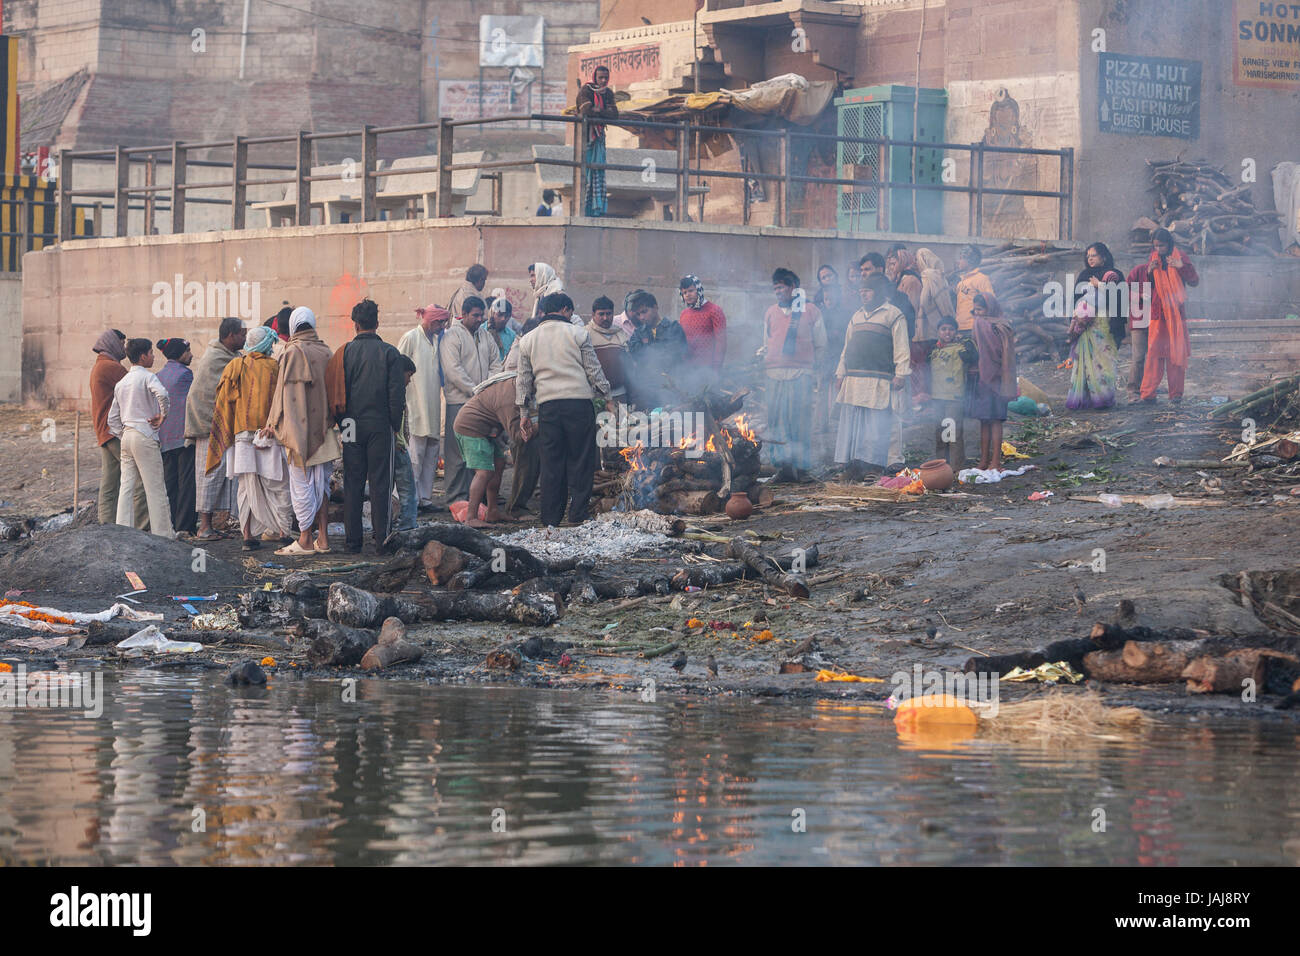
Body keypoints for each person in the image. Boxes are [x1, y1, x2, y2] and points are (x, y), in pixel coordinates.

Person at [516, 292, 611, 526]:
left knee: (551, 463)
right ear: (566, 310)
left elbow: (523, 381)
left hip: (549, 408)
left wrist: (524, 414)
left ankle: (551, 518)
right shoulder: (579, 333)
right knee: (581, 460)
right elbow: (594, 370)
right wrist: (607, 396)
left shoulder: (528, 339)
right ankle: (578, 514)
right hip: (578, 404)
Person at [327, 299, 406, 553]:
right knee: (381, 483)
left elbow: (337, 391)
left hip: (350, 423)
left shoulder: (345, 352)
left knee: (353, 481)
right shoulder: (390, 353)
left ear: (355, 324)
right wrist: (394, 426)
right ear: (377, 323)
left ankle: (353, 542)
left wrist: (342, 423)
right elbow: (397, 396)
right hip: (380, 423)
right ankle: (382, 542)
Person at [206, 325, 292, 550]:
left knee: (245, 487)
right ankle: (284, 532)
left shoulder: (235, 365)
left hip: (242, 436)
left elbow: (224, 401)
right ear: (266, 346)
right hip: (269, 434)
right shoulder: (275, 367)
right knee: (278, 483)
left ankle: (248, 537)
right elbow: (281, 402)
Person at [267, 307, 339, 557]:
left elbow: (285, 396)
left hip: (299, 431)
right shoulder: (326, 350)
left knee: (301, 485)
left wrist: (274, 422)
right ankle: (324, 538)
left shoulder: (293, 351)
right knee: (322, 486)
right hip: (325, 432)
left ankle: (305, 540)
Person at [833, 274, 908, 479]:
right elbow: (846, 348)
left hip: (879, 378)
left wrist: (901, 373)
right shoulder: (856, 317)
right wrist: (840, 373)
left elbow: (902, 347)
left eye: (867, 290)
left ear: (879, 292)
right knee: (854, 422)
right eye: (861, 291)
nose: (863, 295)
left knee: (876, 424)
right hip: (854, 378)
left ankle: (874, 466)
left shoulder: (893, 315)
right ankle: (854, 465)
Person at [107, 338, 174, 538]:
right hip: (144, 435)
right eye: (151, 353)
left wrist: (123, 432)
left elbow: (112, 418)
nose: (153, 356)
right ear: (143, 356)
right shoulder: (147, 376)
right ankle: (164, 534)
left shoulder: (122, 382)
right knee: (155, 487)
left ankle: (123, 531)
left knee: (126, 486)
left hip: (126, 436)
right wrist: (163, 415)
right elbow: (162, 394)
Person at [186, 317, 246, 539]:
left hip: (223, 424)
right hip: (209, 424)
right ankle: (204, 527)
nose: (244, 337)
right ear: (230, 335)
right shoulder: (215, 357)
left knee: (226, 473)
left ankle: (216, 525)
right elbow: (208, 394)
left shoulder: (231, 357)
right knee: (209, 473)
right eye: (241, 333)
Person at [764, 268, 826, 482]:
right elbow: (767, 341)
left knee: (799, 421)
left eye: (781, 287)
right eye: (775, 288)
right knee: (776, 421)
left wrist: (815, 370)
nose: (778, 292)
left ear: (793, 288)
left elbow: (821, 344)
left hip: (801, 373)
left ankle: (801, 469)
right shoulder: (771, 312)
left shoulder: (811, 310)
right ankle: (782, 468)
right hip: (774, 374)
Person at [440, 295, 502, 504]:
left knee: (479, 452)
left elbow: (496, 364)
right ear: (464, 315)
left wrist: (487, 391)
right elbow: (453, 370)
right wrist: (476, 391)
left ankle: (475, 500)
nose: (479, 319)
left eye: (481, 315)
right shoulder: (452, 336)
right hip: (459, 401)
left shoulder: (485, 336)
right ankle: (456, 499)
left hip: (484, 404)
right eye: (475, 315)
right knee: (457, 454)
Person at [454, 375, 532, 528]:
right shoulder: (509, 399)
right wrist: (541, 426)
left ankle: (492, 511)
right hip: (470, 427)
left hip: (486, 429)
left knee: (498, 464)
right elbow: (517, 435)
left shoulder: (514, 386)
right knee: (484, 472)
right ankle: (471, 517)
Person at [90, 329, 147, 528]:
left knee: (110, 482)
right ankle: (142, 527)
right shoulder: (111, 367)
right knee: (140, 477)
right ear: (113, 344)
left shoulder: (101, 365)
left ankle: (107, 526)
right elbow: (136, 389)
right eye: (122, 343)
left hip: (105, 431)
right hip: (114, 431)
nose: (124, 348)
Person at [397, 303, 450, 509]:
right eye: (441, 322)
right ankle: (408, 501)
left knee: (431, 454)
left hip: (433, 406)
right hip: (415, 405)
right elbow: (398, 368)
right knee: (415, 456)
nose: (443, 326)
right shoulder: (411, 338)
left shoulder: (438, 341)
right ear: (433, 321)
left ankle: (424, 499)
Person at [1136, 228, 1198, 405]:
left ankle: (1176, 394)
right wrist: (1149, 271)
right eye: (1155, 246)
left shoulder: (1181, 257)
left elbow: (1195, 281)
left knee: (1176, 353)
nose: (1159, 249)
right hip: (1158, 312)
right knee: (1154, 354)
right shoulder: (1153, 257)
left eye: (1161, 245)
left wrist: (1182, 267)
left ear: (1169, 244)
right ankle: (1148, 394)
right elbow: (1149, 285)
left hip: (1176, 314)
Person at [1066, 242, 1124, 410]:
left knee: (1103, 360)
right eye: (1088, 256)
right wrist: (1076, 319)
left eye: (1094, 255)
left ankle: (1103, 398)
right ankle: (1085, 398)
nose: (1090, 259)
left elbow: (1120, 298)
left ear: (1104, 256)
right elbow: (1075, 300)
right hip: (1086, 326)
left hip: (1105, 325)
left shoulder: (1114, 275)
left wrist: (1100, 286)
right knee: (1085, 360)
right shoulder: (1084, 275)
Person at [969, 292, 1017, 471]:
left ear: (990, 308)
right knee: (984, 420)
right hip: (982, 378)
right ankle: (983, 460)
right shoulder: (981, 325)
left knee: (996, 420)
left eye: (980, 309)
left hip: (998, 379)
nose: (978, 314)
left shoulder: (1000, 326)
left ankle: (995, 461)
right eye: (975, 310)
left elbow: (1004, 354)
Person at [924, 316, 976, 472]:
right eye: (943, 329)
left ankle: (956, 467)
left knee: (953, 432)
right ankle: (941, 466)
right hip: (937, 398)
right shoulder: (934, 350)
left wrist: (965, 339)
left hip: (954, 398)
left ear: (956, 332)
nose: (947, 332)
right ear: (938, 331)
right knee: (940, 433)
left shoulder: (961, 348)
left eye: (951, 329)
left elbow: (973, 355)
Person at [155, 337, 196, 534]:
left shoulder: (159, 375)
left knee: (169, 484)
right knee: (187, 483)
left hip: (163, 437)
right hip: (183, 437)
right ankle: (185, 526)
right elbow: (191, 404)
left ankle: (168, 525)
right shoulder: (186, 375)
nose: (191, 355)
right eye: (188, 351)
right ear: (180, 354)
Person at [625, 291, 688, 410]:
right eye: (638, 314)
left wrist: (648, 348)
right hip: (648, 390)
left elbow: (673, 355)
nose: (642, 317)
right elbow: (637, 355)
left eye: (644, 311)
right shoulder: (638, 332)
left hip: (671, 387)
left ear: (655, 307)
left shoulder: (673, 328)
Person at [576, 65, 618, 217]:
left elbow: (614, 114)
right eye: (600, 77)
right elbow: (585, 110)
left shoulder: (608, 93)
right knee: (586, 171)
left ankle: (597, 206)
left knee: (598, 169)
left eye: (606, 78)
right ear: (595, 77)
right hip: (586, 137)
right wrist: (602, 111)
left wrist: (598, 110)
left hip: (599, 138)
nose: (603, 81)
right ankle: (585, 208)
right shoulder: (586, 90)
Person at [392, 354, 420, 532]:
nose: (409, 381)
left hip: (398, 444)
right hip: (398, 447)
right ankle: (408, 524)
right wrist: (399, 441)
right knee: (407, 488)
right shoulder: (396, 393)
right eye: (408, 375)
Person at [677, 275, 727, 373]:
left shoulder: (714, 311)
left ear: (699, 290)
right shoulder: (684, 314)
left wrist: (716, 369)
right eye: (684, 293)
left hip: (708, 369)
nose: (687, 295)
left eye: (691, 290)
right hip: (688, 369)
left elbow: (721, 342)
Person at [587, 296, 630, 404]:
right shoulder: (585, 334)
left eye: (609, 313)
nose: (605, 318)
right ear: (593, 315)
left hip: (620, 393)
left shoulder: (620, 333)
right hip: (596, 396)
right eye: (601, 314)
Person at [954, 244, 995, 333]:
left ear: (970, 261)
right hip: (960, 327)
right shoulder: (961, 282)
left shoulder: (981, 279)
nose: (958, 261)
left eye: (961, 258)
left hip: (974, 327)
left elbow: (990, 301)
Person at [485, 295, 517, 361]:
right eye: (500, 315)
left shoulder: (512, 336)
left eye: (506, 316)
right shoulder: (481, 331)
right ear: (492, 314)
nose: (503, 319)